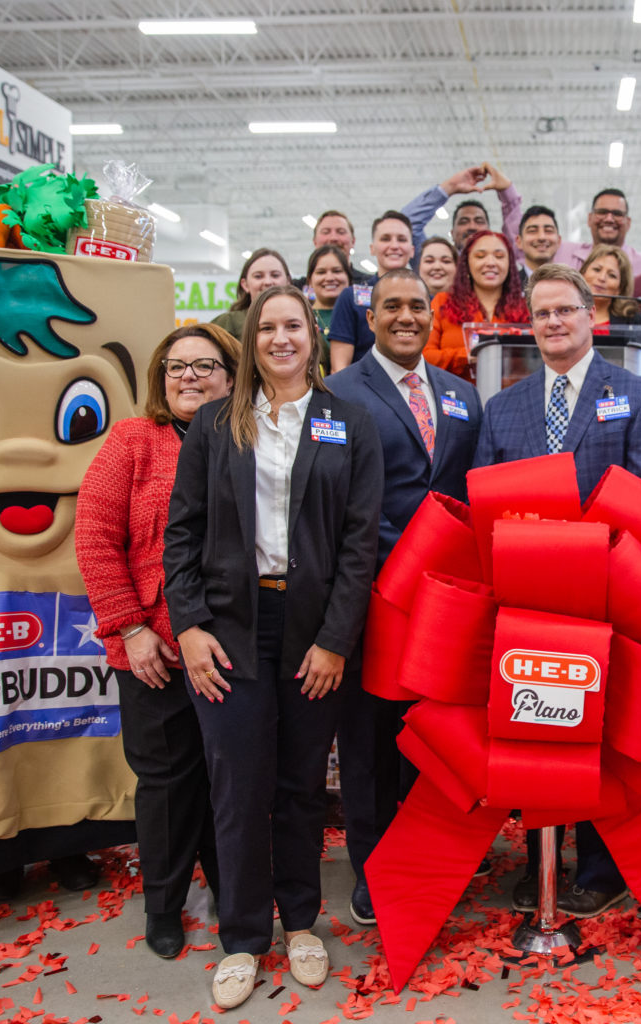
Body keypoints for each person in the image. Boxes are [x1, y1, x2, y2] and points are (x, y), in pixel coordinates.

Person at [163, 284, 383, 1009]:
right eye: (268, 328)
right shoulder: (216, 426)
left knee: (297, 787)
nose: (281, 338)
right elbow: (182, 534)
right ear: (250, 341)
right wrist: (189, 626)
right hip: (228, 627)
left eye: (295, 326)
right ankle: (243, 938)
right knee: (237, 785)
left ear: (313, 338)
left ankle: (300, 923)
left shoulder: (350, 423)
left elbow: (359, 547)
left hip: (311, 632)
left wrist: (334, 640)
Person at [475, 263, 641, 916]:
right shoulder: (504, 409)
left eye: (565, 310)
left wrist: (600, 564)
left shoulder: (636, 396)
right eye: (542, 314)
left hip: (608, 596)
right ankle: (541, 862)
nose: (554, 323)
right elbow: (484, 506)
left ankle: (597, 864)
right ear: (528, 326)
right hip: (528, 601)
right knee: (536, 724)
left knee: (599, 736)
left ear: (593, 317)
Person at [76, 324, 239, 958]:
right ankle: (164, 906)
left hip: (230, 650)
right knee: (168, 785)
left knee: (230, 780)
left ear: (231, 375)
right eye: (177, 367)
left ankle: (236, 893)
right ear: (159, 376)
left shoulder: (247, 438)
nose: (190, 377)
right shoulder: (133, 441)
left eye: (205, 366)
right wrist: (132, 627)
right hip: (153, 654)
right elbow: (93, 537)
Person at [326, 269, 481, 926]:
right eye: (392, 306)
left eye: (418, 306)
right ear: (371, 315)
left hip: (448, 607)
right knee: (368, 745)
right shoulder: (336, 392)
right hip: (371, 601)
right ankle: (374, 871)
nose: (406, 316)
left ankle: (429, 863)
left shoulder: (462, 396)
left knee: (434, 742)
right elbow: (331, 503)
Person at [423, 229, 529, 381]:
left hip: (510, 397)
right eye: (480, 256)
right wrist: (467, 355)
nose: (491, 263)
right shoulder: (442, 303)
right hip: (453, 398)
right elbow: (424, 356)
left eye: (499, 256)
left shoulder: (525, 308)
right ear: (467, 263)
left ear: (510, 264)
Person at [328, 211, 417, 372]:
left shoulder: (427, 300)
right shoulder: (350, 298)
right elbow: (340, 369)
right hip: (360, 393)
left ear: (412, 250)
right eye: (385, 239)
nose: (394, 245)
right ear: (372, 248)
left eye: (401, 239)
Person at [411, 163, 523, 258]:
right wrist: (449, 187)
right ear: (452, 233)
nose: (472, 227)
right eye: (463, 222)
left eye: (479, 221)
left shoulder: (501, 267)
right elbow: (409, 228)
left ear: (489, 232)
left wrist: (508, 193)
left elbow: (518, 242)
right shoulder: (436, 266)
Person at [553, 187, 641, 277]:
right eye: (602, 212)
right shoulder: (562, 254)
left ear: (628, 223)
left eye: (617, 214)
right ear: (589, 219)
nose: (609, 219)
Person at [213, 248, 291, 342]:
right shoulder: (228, 322)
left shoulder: (302, 319)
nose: (268, 282)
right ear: (245, 285)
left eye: (275, 275)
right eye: (258, 276)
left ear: (288, 281)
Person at [581, 243, 641, 328]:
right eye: (597, 270)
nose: (602, 278)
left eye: (612, 275)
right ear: (582, 274)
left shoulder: (634, 322)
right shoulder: (563, 312)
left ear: (621, 288)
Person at [305, 243, 353, 343]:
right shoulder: (302, 318)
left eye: (337, 271)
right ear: (310, 280)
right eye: (321, 272)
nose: (330, 278)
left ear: (348, 277)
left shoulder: (362, 316)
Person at [516, 205, 562, 275]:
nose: (541, 237)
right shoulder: (509, 285)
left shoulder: (570, 284)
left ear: (559, 241)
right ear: (519, 241)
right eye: (532, 231)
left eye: (548, 230)